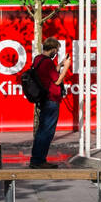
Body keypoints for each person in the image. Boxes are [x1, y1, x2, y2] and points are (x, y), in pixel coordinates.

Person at [29, 38, 71, 169]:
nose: (56, 52)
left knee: (42, 130)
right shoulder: (47, 62)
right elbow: (57, 81)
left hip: (44, 98)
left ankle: (36, 159)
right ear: (52, 49)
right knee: (47, 131)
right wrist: (67, 67)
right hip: (51, 99)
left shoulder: (38, 59)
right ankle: (39, 160)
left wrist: (60, 65)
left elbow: (49, 74)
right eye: (56, 50)